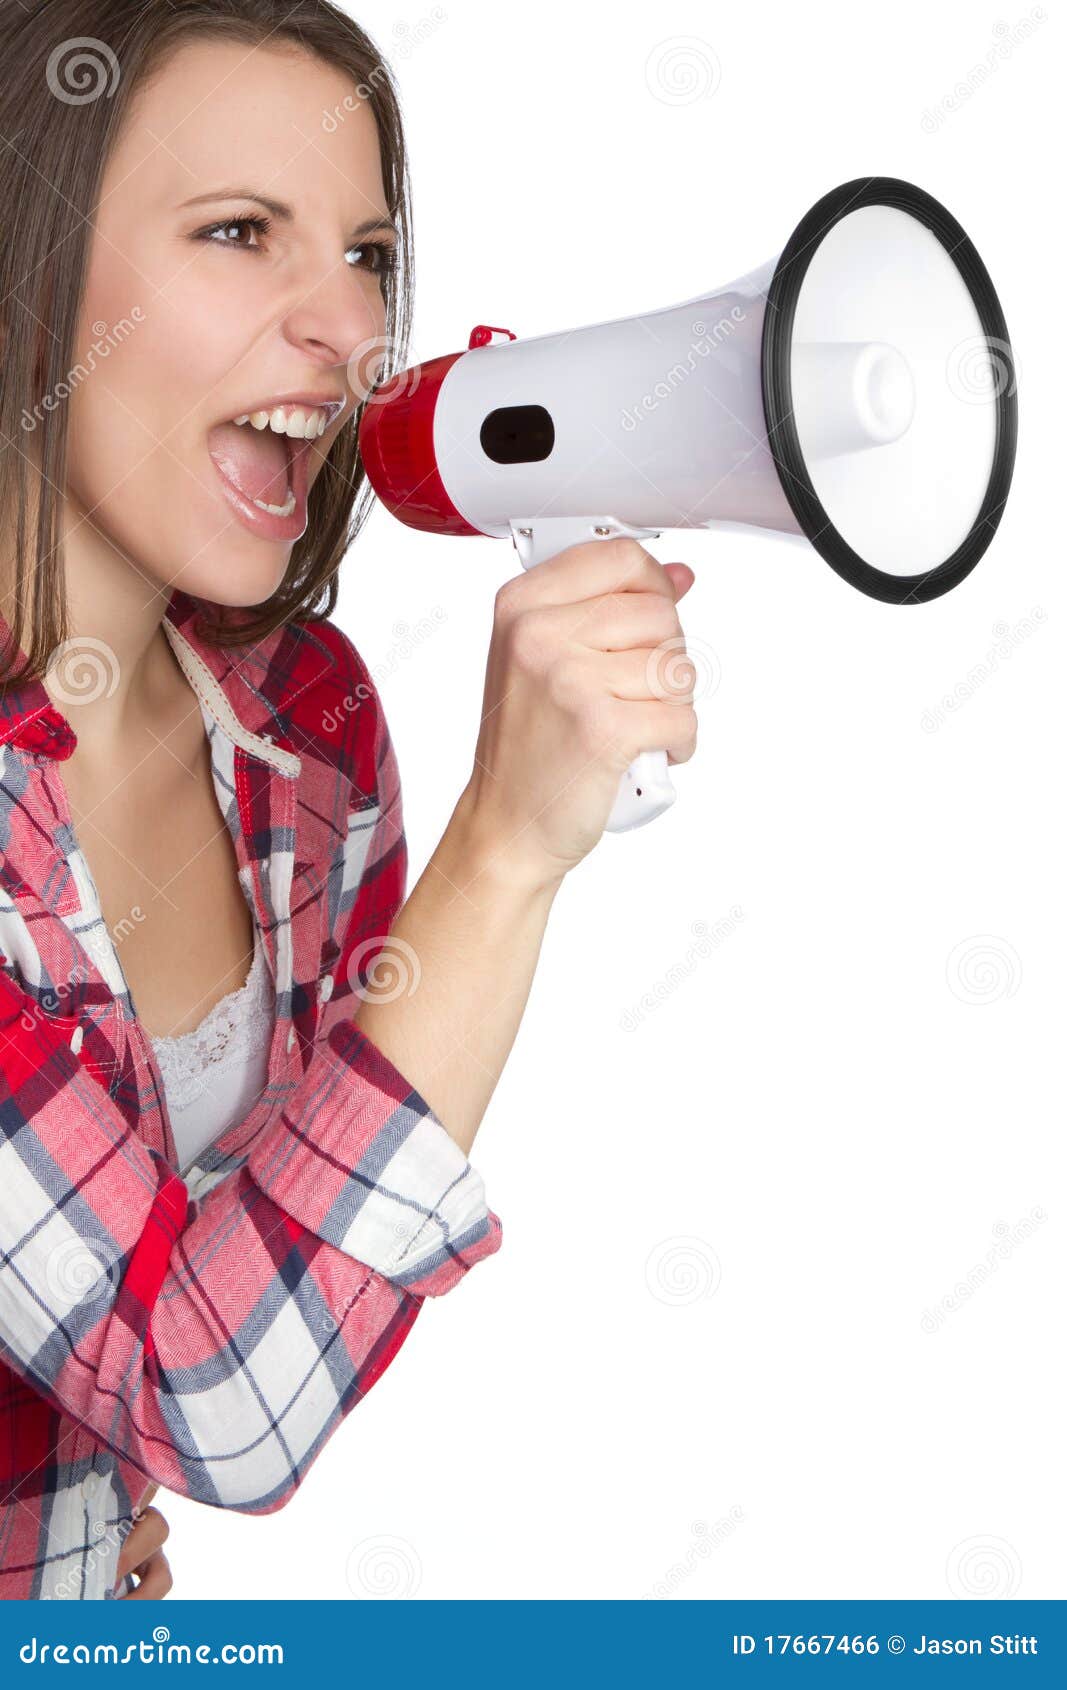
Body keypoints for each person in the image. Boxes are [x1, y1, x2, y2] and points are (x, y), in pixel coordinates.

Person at [0, 0, 697, 1601]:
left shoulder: (307, 725)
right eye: (239, 232)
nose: (346, 328)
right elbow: (219, 1396)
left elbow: (224, 1278)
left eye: (367, 251)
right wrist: (508, 847)